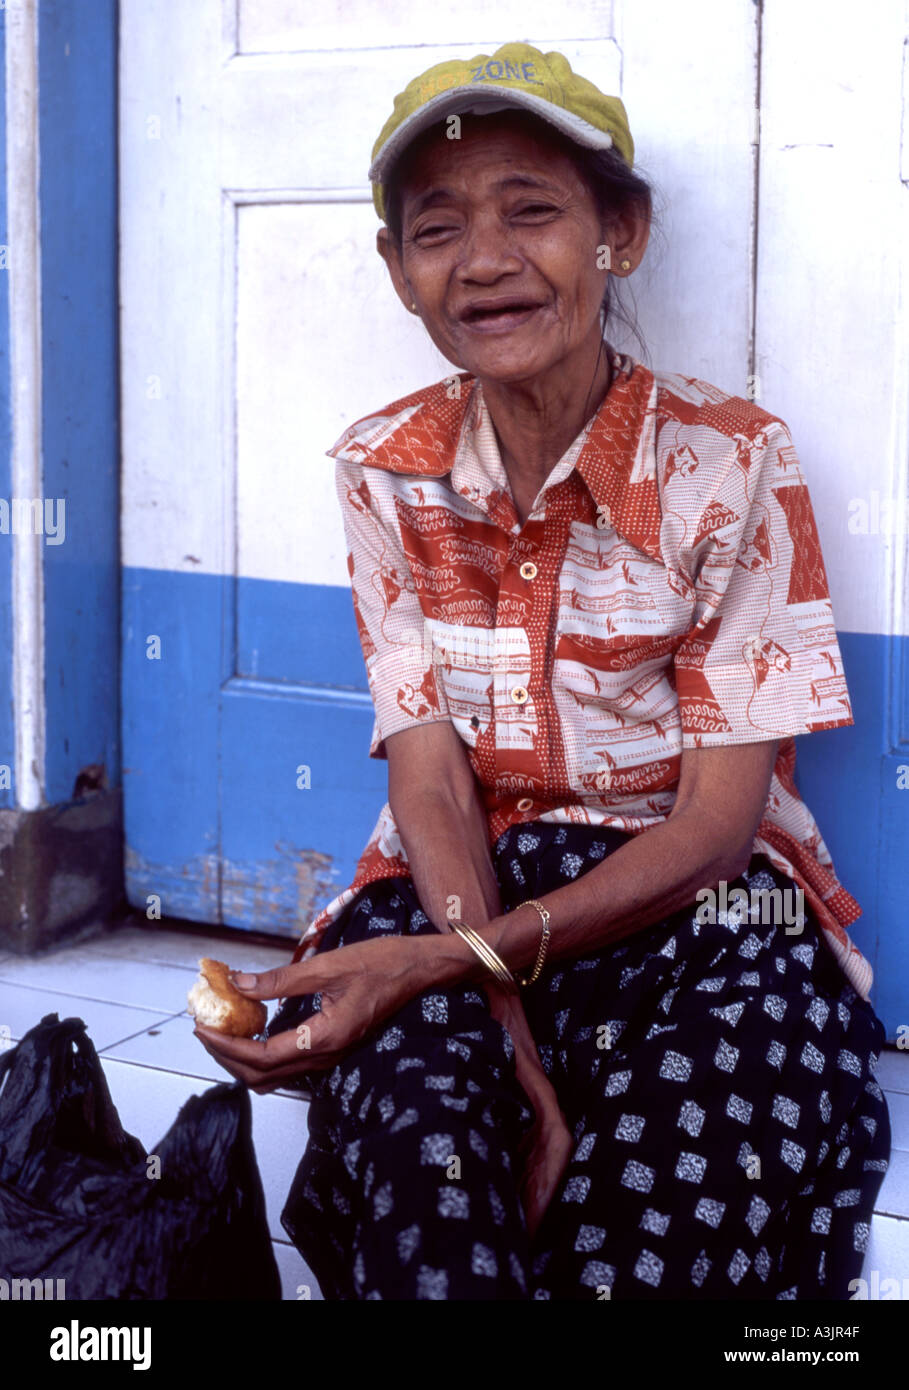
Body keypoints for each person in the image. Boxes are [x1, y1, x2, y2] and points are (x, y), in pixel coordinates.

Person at [194, 42, 891, 1301]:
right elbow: (433, 778)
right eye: (437, 227)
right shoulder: (382, 469)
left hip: (706, 898)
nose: (486, 259)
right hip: (464, 881)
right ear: (399, 270)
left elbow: (719, 832)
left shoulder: (731, 462)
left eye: (534, 210)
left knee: (667, 1172)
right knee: (425, 1139)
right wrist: (500, 1017)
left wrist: (445, 966)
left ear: (617, 232)